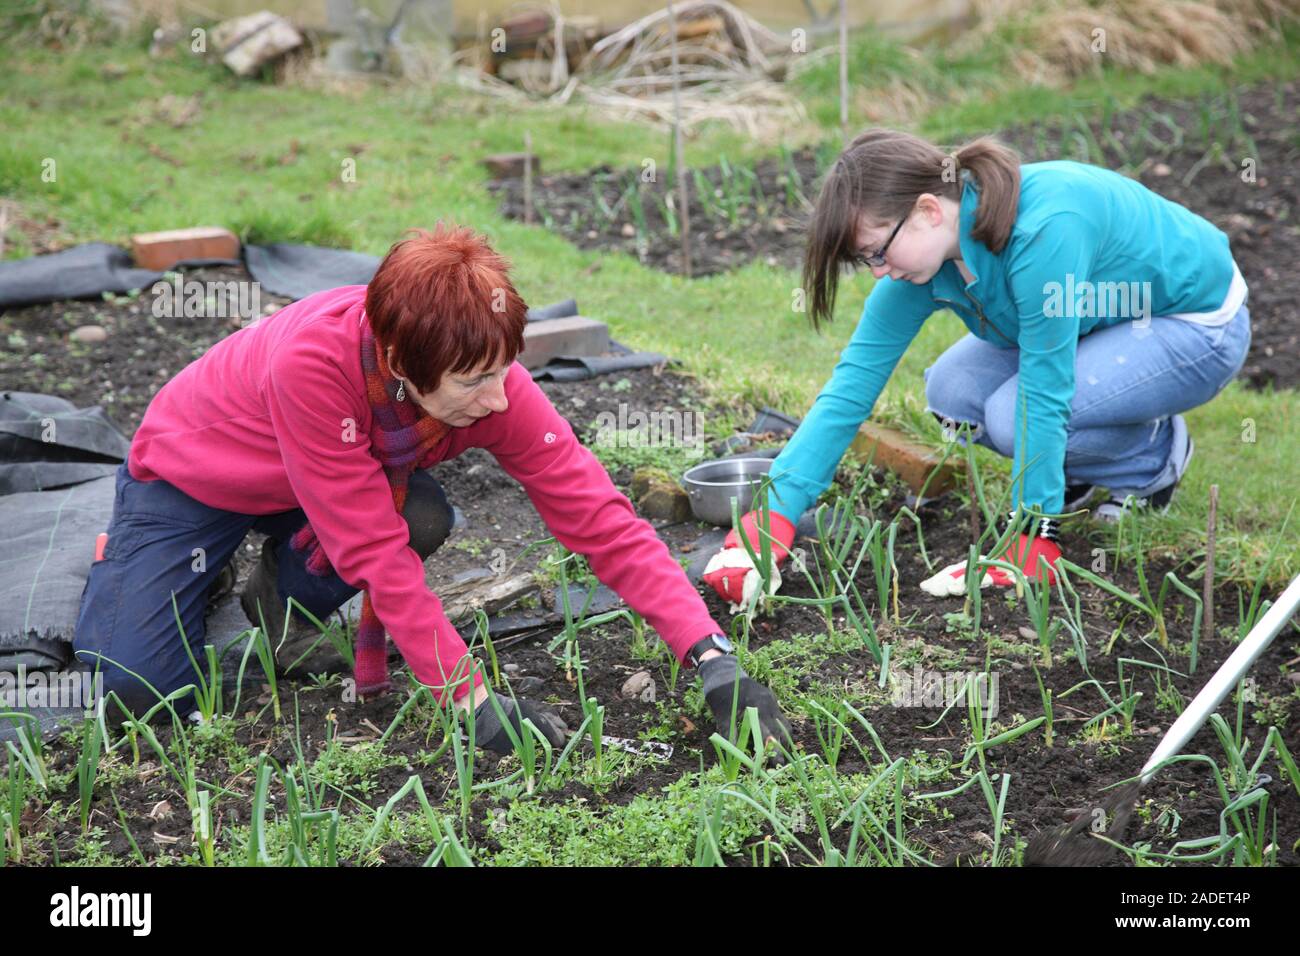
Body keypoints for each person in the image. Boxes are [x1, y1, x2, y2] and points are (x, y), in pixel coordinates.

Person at [74, 224, 792, 755]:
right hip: (196, 481)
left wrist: (709, 656)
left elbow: (600, 519)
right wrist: (474, 700)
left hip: (315, 481)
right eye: (474, 382)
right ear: (400, 366)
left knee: (418, 513)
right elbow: (377, 557)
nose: (498, 398)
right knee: (139, 695)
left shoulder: (492, 384)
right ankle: (157, 566)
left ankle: (277, 592)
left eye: (501, 370)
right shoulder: (313, 368)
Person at [705, 128, 1249, 605]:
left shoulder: (1044, 230)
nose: (876, 272)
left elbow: (1045, 385)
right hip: (1101, 322)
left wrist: (1031, 536)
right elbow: (851, 387)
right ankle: (1080, 471)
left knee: (1013, 415)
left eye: (875, 252)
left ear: (926, 210)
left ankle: (1152, 460)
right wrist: (769, 520)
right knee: (951, 392)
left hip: (1193, 324)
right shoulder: (924, 261)